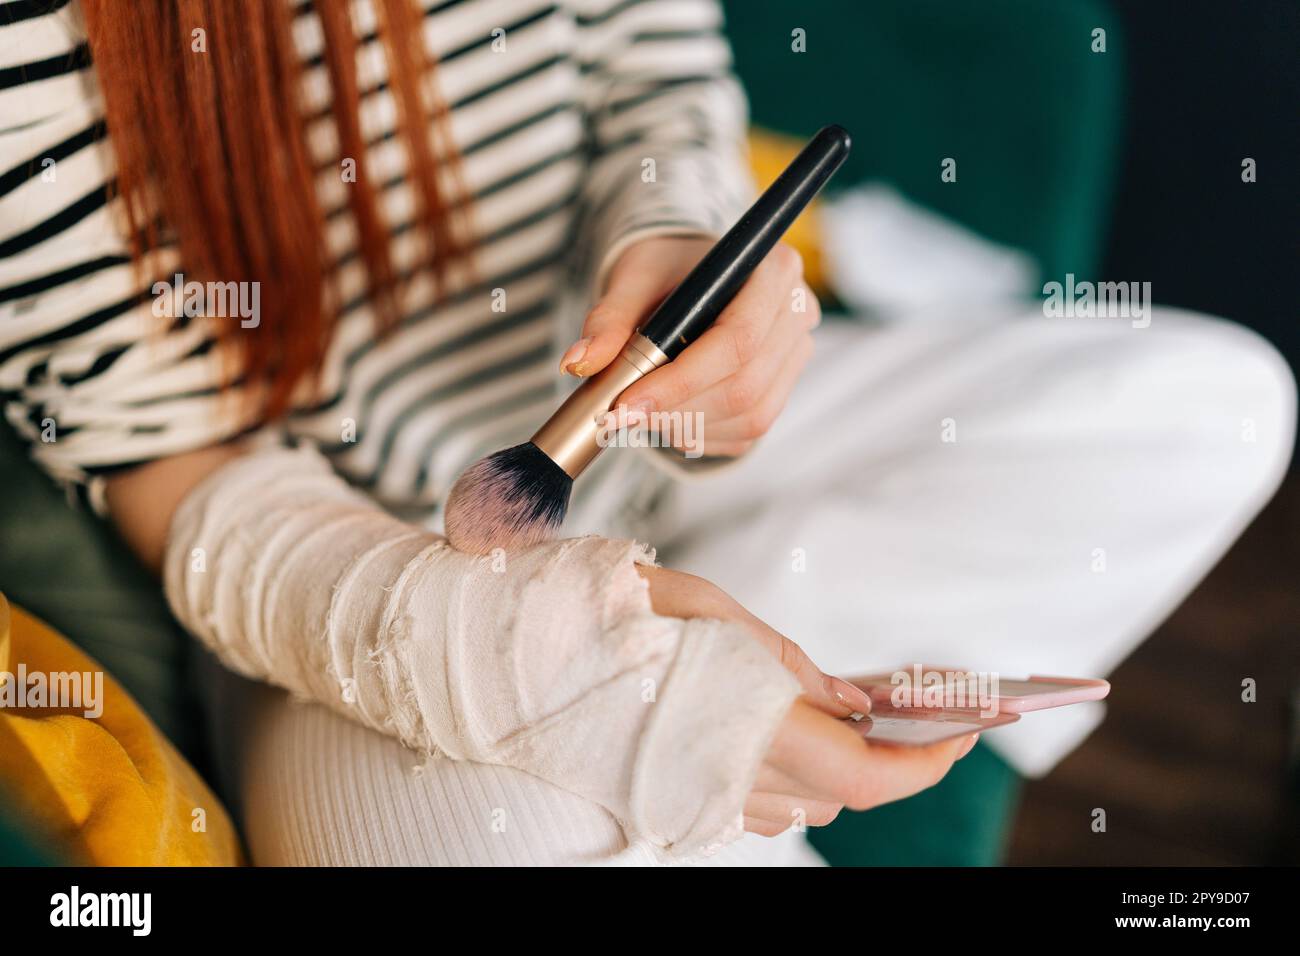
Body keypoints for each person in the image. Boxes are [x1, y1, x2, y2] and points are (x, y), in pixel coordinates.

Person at [1, 0, 1292, 865]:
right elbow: (163, 464)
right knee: (522, 825)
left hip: (630, 466)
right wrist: (566, 669)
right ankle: (717, 706)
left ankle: (747, 670)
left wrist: (681, 238)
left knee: (1214, 403)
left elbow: (652, 71)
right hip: (337, 595)